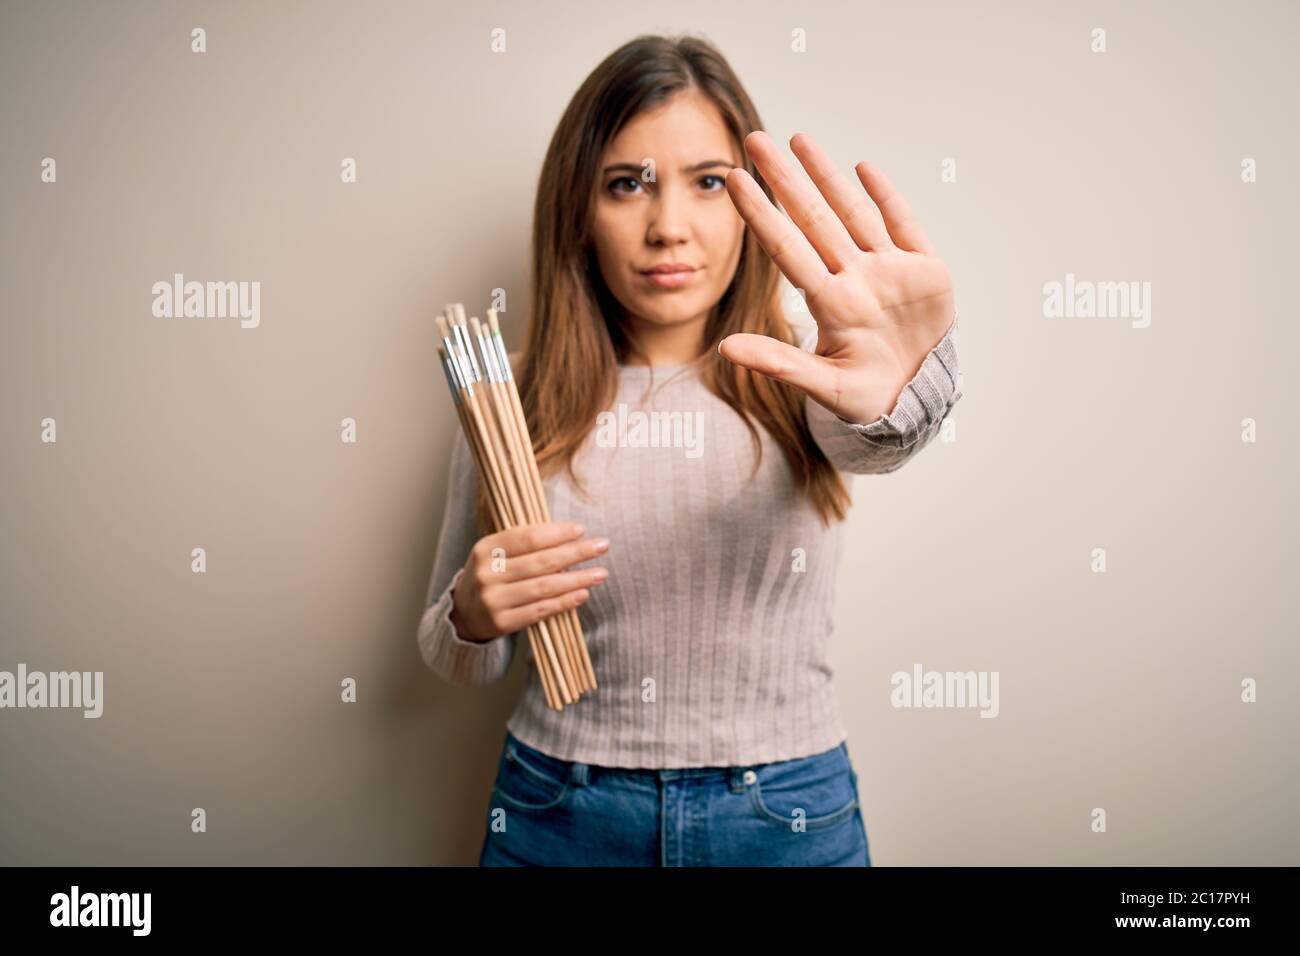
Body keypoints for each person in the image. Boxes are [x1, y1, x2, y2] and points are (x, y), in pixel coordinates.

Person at [417, 33, 962, 866]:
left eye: (708, 183)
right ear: (578, 208)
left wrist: (904, 387)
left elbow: (879, 438)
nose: (668, 227)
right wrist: (472, 612)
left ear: (750, 207)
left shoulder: (806, 377)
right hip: (559, 810)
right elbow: (450, 651)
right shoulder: (509, 392)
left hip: (785, 815)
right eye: (626, 184)